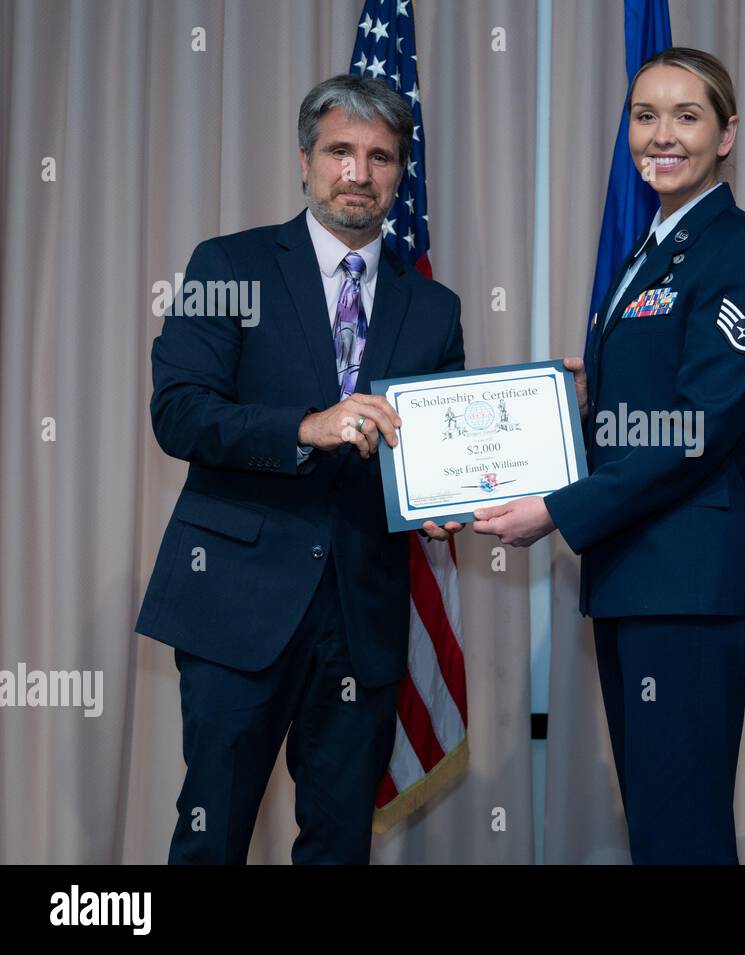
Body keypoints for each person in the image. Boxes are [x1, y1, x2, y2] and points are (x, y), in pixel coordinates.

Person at [470, 48, 745, 864]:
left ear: (727, 135)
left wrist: (556, 509)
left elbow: (698, 427)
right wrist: (588, 404)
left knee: (680, 832)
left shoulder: (742, 250)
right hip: (639, 575)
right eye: (645, 115)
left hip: (688, 583)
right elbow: (653, 405)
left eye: (687, 116)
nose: (662, 134)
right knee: (657, 824)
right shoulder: (649, 250)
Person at [135, 74, 464, 863]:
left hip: (365, 613)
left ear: (399, 174)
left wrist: (449, 500)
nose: (359, 173)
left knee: (339, 841)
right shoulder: (228, 263)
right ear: (305, 161)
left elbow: (431, 452)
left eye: (381, 157)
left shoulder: (435, 308)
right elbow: (178, 411)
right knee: (212, 830)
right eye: (340, 151)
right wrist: (306, 427)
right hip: (236, 601)